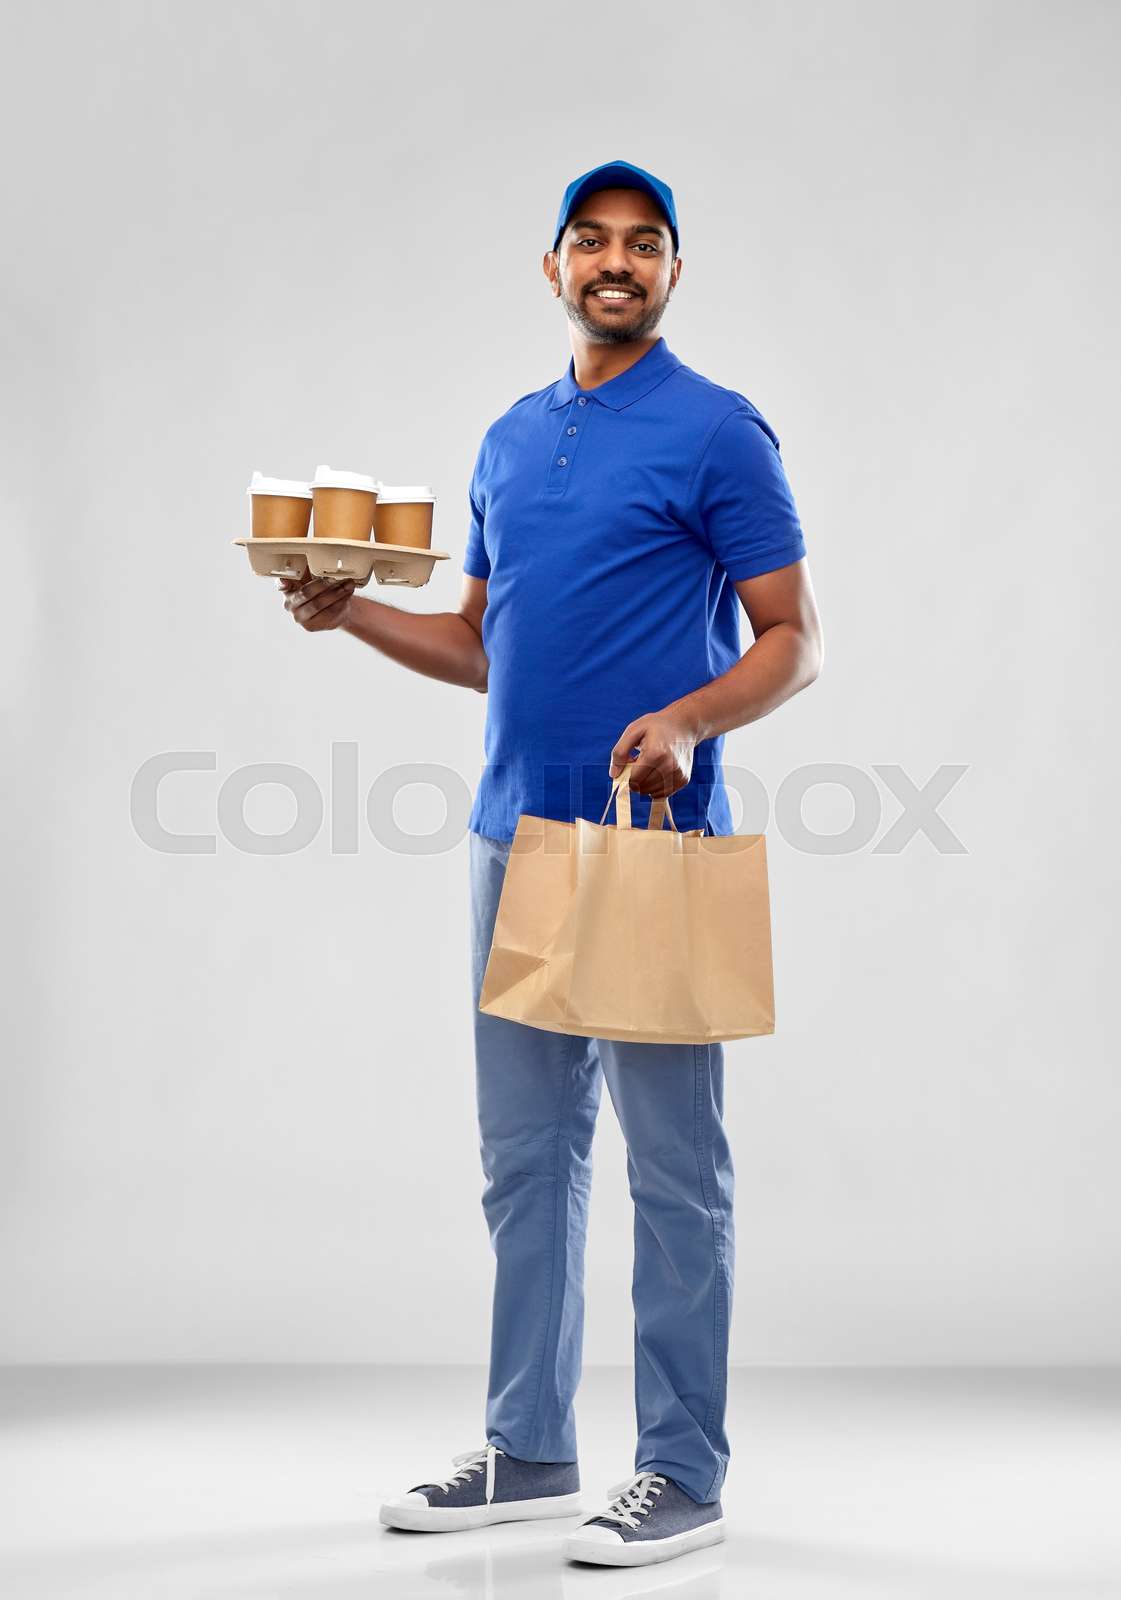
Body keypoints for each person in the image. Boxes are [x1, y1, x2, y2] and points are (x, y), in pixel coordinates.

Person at [279, 159, 823, 1569]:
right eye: (592, 242)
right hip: (507, 839)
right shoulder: (510, 441)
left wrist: (695, 718)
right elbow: (478, 643)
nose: (616, 263)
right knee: (524, 1164)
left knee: (672, 1173)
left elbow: (792, 637)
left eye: (645, 245)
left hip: (650, 846)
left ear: (673, 274)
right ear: (554, 269)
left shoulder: (717, 433)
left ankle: (682, 1470)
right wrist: (347, 619)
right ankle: (529, 1447)